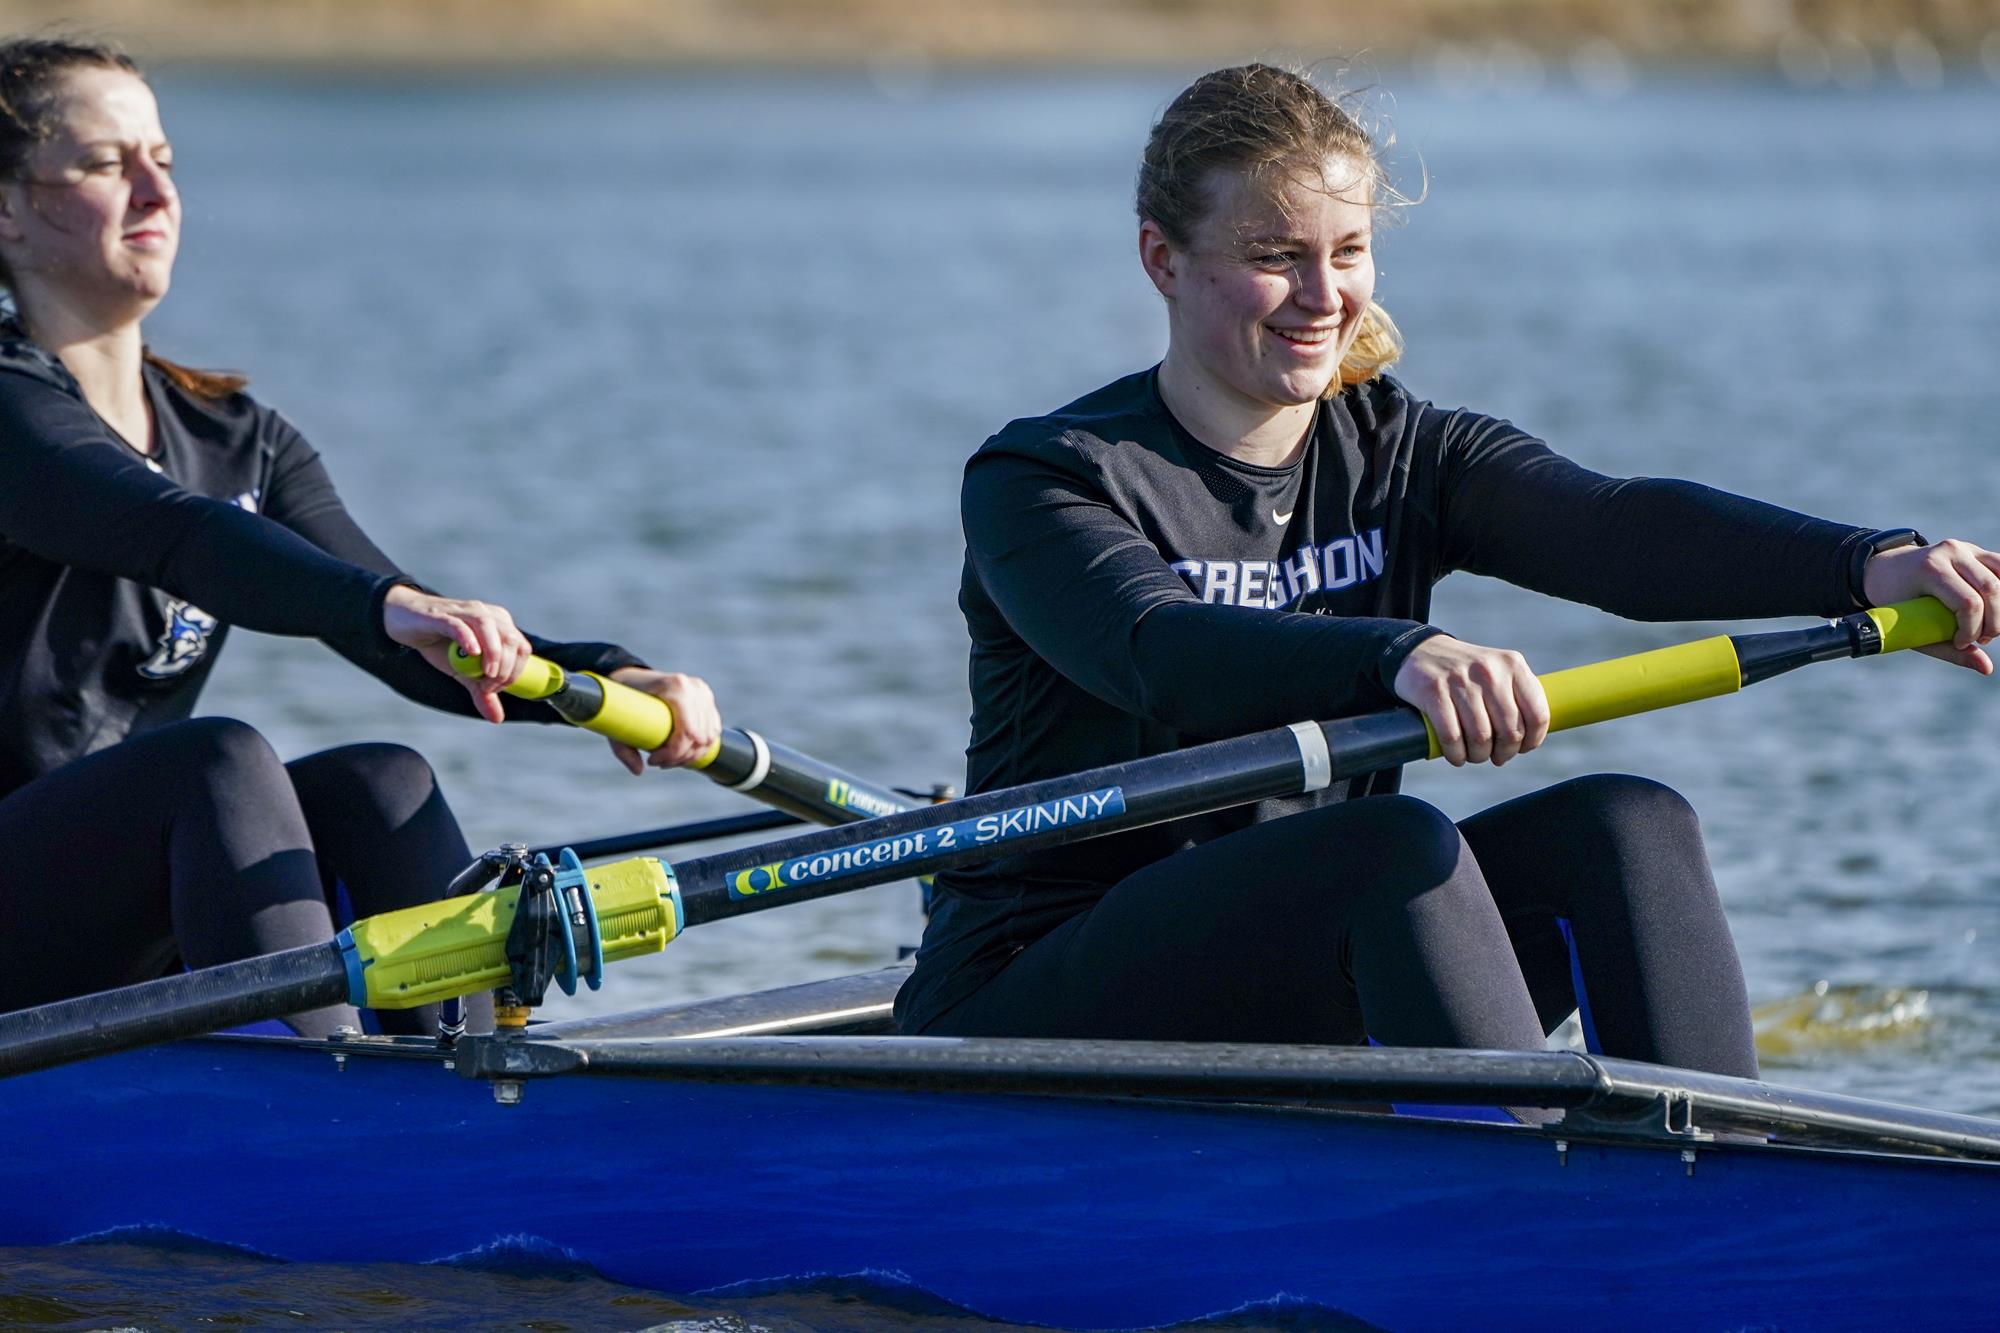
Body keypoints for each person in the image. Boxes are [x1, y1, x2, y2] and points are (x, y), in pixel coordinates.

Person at [894, 63, 2000, 1082]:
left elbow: (1617, 529)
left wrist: (1863, 562)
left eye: (1346, 253)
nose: (1322, 295)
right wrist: (1400, 653)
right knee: (1392, 849)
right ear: (1162, 260)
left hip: (1301, 946)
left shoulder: (1407, 453)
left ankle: (1709, 1171)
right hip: (1027, 986)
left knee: (1628, 825)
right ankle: (1515, 1181)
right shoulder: (1044, 479)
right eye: (1275, 257)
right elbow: (1161, 653)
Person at [0, 37, 720, 1037]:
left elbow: (410, 634)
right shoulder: (12, 411)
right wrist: (384, 607)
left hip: (102, 900)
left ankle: (467, 1076)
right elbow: (176, 533)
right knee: (215, 762)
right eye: (105, 164)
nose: (156, 194)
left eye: (162, 159)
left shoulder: (236, 437)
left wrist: (611, 678)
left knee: (384, 780)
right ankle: (327, 1088)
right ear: (9, 210)